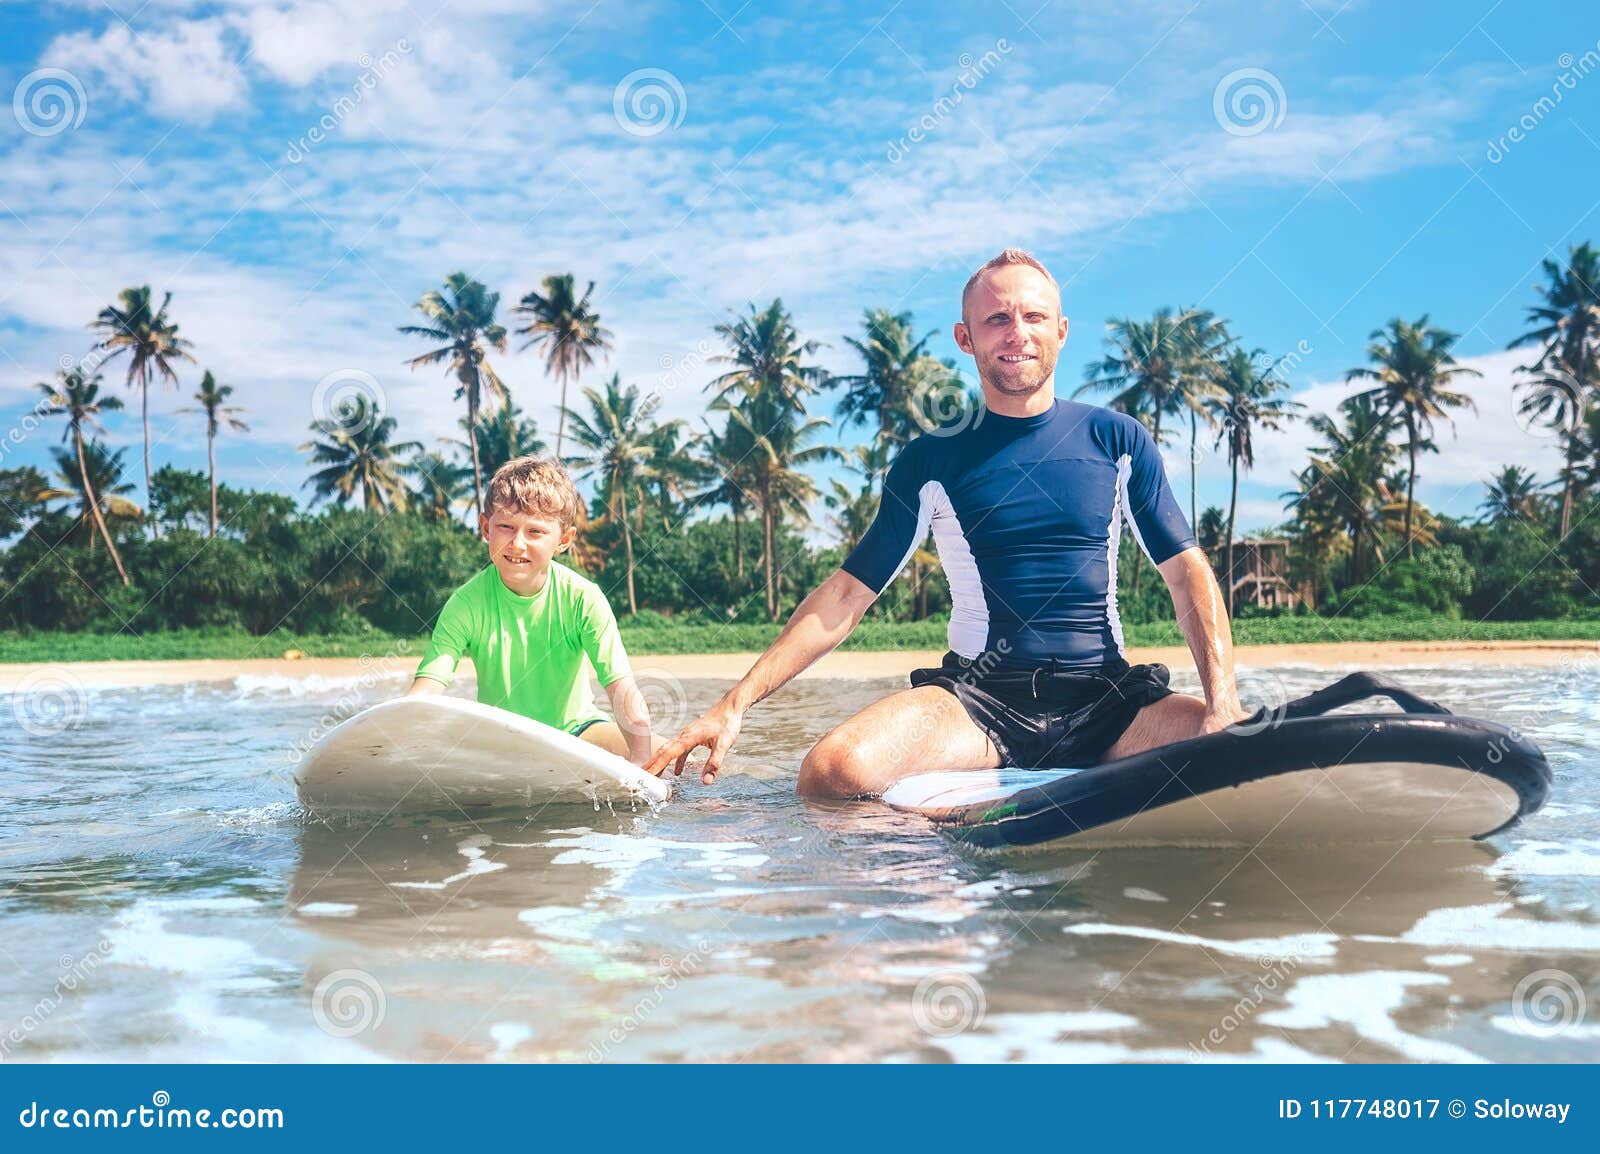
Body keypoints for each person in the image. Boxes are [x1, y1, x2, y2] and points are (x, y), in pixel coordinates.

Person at [647, 248, 1248, 796]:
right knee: (831, 773)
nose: (1018, 333)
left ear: (1061, 331)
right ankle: (934, 860)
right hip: (979, 704)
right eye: (997, 319)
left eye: (1034, 317)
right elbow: (848, 595)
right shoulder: (932, 459)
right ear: (966, 337)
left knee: (1240, 750)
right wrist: (735, 703)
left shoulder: (1115, 439)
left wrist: (1223, 701)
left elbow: (1184, 571)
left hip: (1109, 704)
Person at [408, 455, 657, 767]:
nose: (518, 544)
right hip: (502, 738)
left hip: (577, 731)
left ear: (564, 539)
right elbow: (427, 690)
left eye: (535, 532)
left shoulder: (583, 598)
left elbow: (621, 688)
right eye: (506, 527)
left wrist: (643, 763)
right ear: (486, 527)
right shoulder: (466, 603)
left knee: (667, 754)